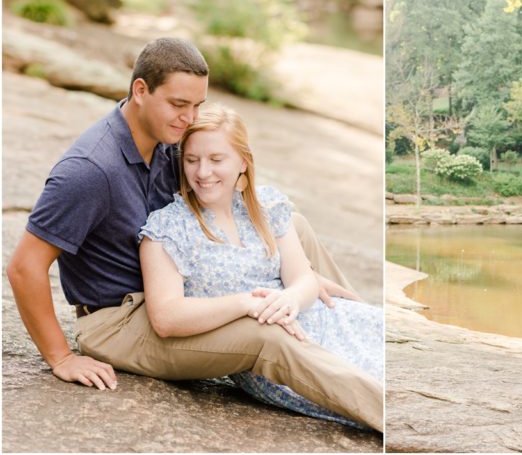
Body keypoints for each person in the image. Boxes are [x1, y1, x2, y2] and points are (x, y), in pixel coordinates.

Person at [6, 37, 383, 431]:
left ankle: (352, 325)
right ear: (140, 91)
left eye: (197, 105)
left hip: (176, 287)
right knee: (265, 335)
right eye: (178, 105)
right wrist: (60, 357)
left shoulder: (168, 143)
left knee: (292, 223)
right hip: (123, 321)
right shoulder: (90, 170)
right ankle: (383, 411)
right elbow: (24, 268)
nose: (188, 118)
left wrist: (291, 276)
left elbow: (230, 202)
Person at [138, 104, 383, 427]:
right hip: (282, 355)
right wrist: (247, 305)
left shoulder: (267, 207)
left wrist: (290, 299)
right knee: (375, 391)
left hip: (321, 319)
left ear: (243, 161)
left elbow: (303, 279)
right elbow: (166, 317)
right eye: (192, 160)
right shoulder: (169, 227)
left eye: (216, 160)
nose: (202, 173)